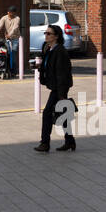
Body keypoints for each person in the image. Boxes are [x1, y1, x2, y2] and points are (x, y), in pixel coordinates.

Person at [34, 24, 76, 153]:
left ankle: (45, 143)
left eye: (49, 34)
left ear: (56, 36)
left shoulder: (60, 51)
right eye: (45, 33)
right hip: (55, 85)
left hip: (60, 87)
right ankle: (70, 141)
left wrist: (62, 94)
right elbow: (48, 65)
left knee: (47, 113)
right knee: (62, 113)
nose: (46, 36)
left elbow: (62, 73)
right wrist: (39, 67)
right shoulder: (48, 48)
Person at [0, 5, 21, 73]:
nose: (9, 13)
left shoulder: (17, 18)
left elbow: (15, 28)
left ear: (14, 13)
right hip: (7, 39)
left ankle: (14, 71)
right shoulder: (4, 18)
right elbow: (0, 26)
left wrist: (9, 35)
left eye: (11, 12)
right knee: (6, 53)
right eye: (9, 12)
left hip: (15, 38)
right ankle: (7, 68)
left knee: (13, 53)